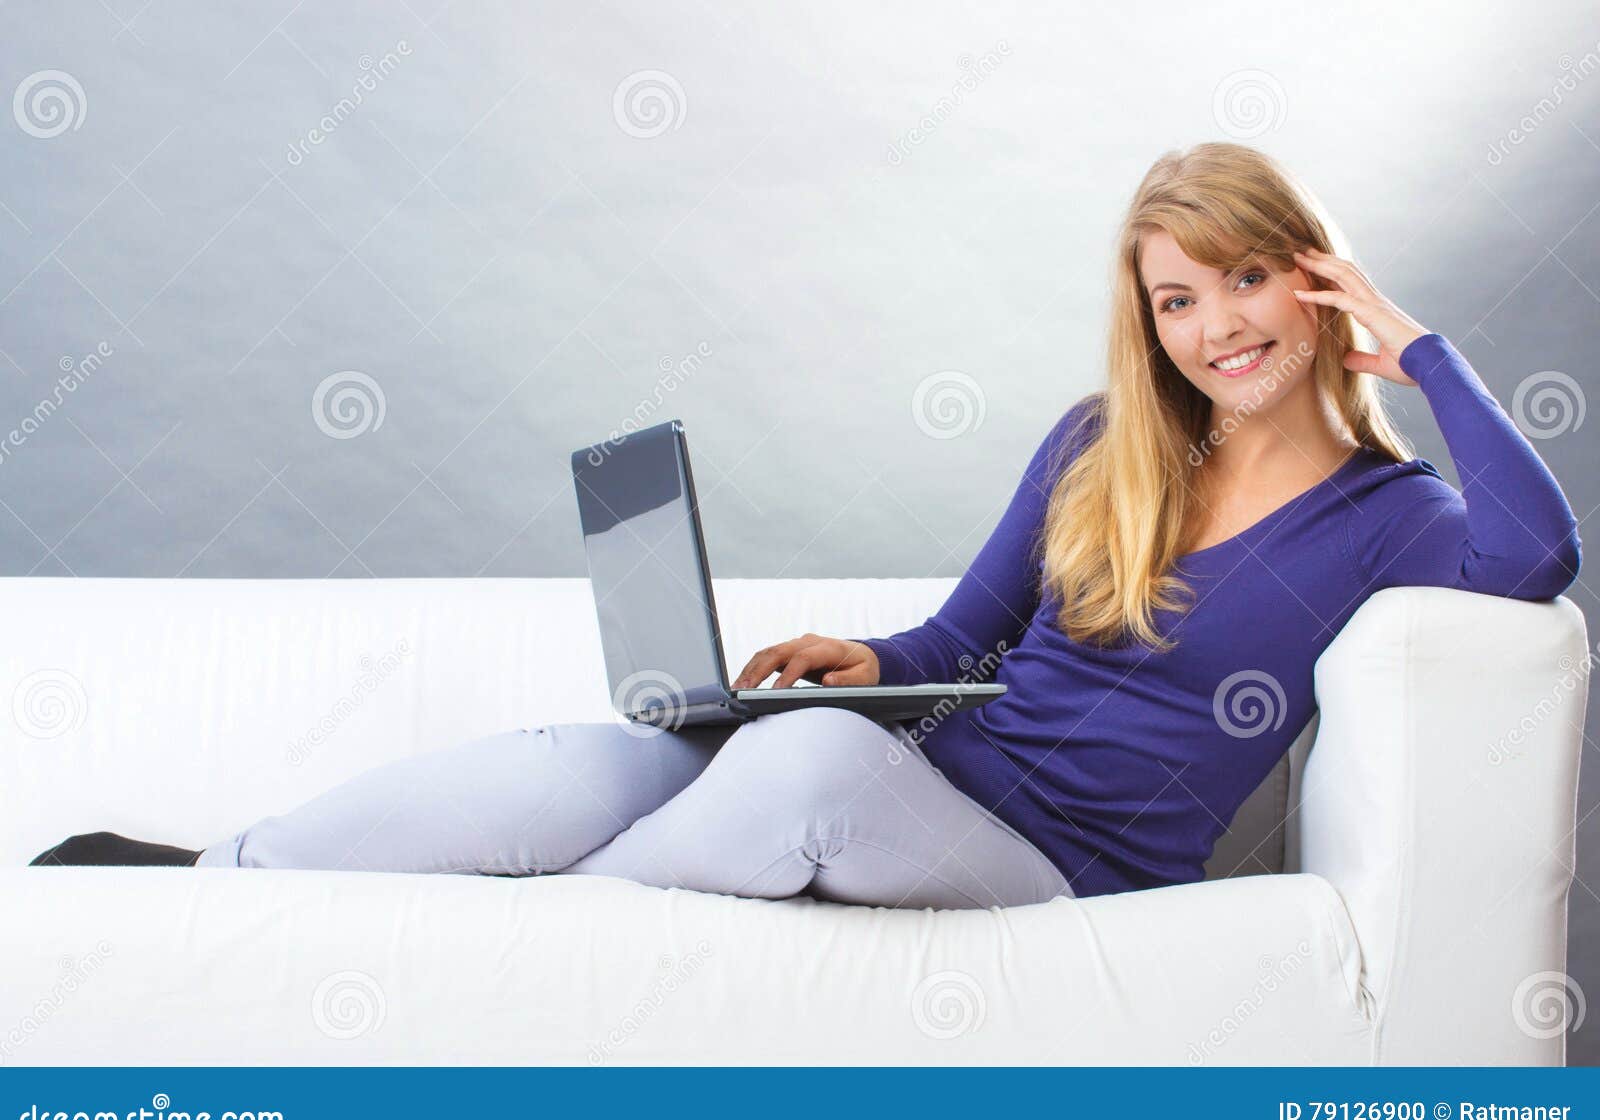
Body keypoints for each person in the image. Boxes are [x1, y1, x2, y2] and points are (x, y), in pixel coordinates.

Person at [31, 141, 1582, 908]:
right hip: (930, 775)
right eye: (1175, 298)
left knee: (808, 769)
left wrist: (1420, 347)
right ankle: (219, 882)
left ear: (1311, 276)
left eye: (1245, 279)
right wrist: (867, 655)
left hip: (1069, 865)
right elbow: (963, 640)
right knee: (600, 755)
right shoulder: (1103, 445)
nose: (1213, 325)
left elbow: (1535, 557)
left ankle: (539, 938)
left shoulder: (1397, 516)